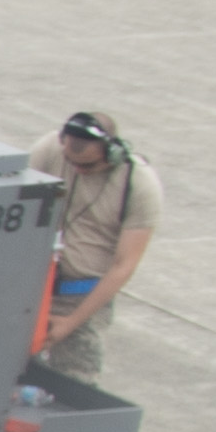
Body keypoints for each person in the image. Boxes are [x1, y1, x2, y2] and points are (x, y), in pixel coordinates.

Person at [40, 110, 159, 377]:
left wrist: (71, 322)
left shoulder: (139, 184)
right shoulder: (48, 150)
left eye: (88, 166)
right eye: (71, 162)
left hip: (81, 296)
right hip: (33, 284)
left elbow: (124, 265)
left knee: (75, 379)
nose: (78, 170)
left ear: (113, 153)